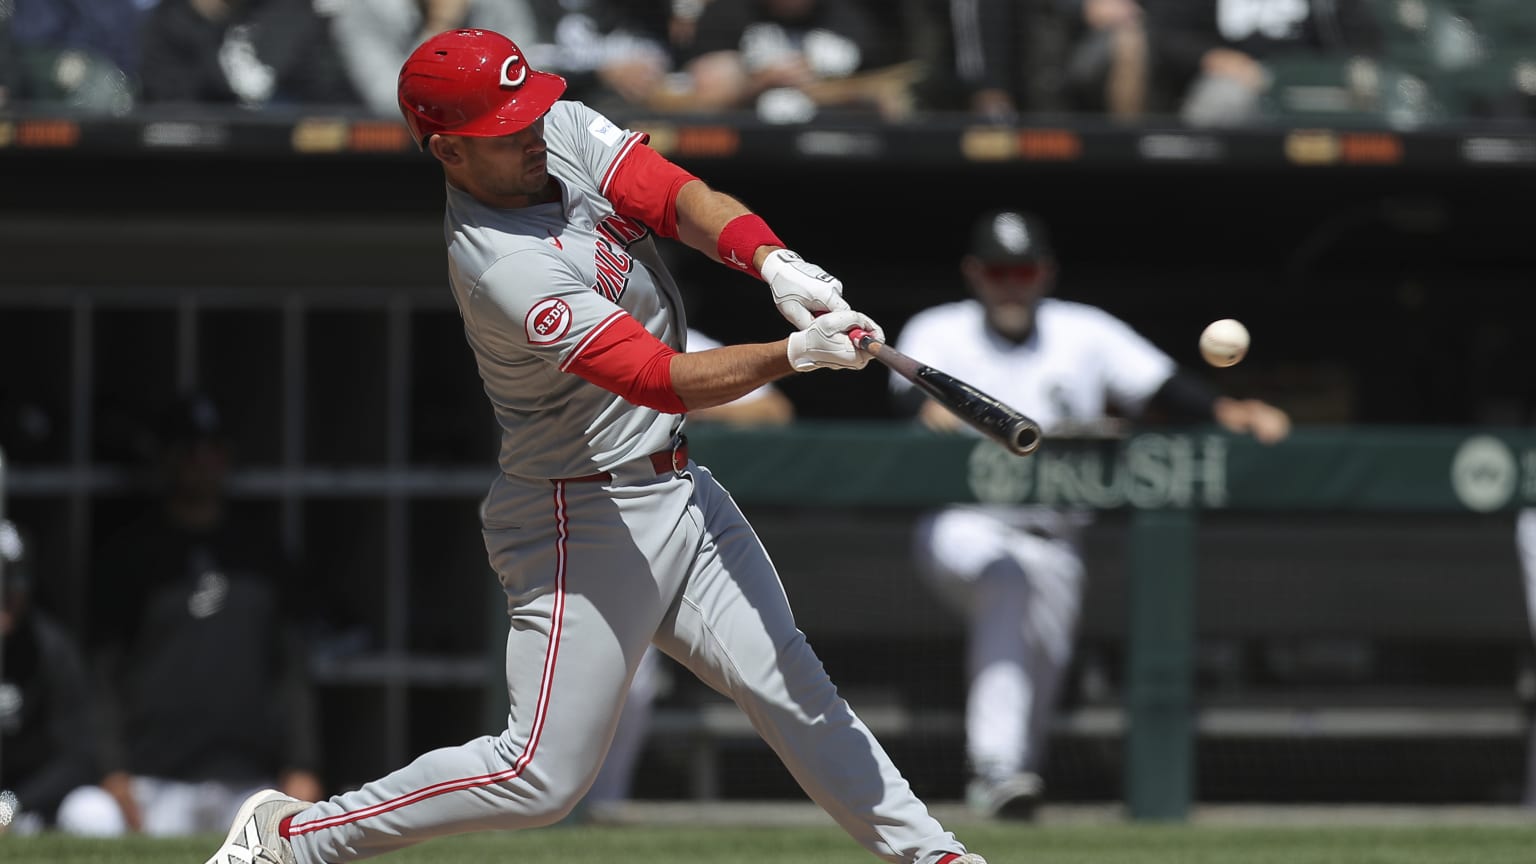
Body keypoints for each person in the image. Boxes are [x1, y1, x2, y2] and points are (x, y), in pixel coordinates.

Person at [201, 28, 986, 864]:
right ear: (448, 152)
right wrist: (794, 356)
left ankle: (933, 856)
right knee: (538, 776)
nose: (533, 132)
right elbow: (657, 376)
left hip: (676, 487)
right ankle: (292, 838)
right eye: (506, 129)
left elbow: (668, 193)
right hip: (582, 509)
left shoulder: (555, 131)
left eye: (529, 109)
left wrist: (771, 260)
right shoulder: (501, 267)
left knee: (794, 688)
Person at [889, 208, 1291, 819]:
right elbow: (903, 402)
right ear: (975, 273)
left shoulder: (1085, 331)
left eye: (1022, 270)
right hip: (964, 524)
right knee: (1006, 580)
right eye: (999, 270)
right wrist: (926, 414)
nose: (1011, 283)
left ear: (1044, 272)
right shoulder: (937, 330)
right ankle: (993, 767)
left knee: (1039, 664)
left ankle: (1005, 786)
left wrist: (1229, 411)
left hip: (1056, 536)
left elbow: (1163, 388)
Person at [78, 392, 323, 837]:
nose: (201, 462)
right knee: (87, 815)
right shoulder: (130, 554)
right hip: (152, 780)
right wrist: (111, 769)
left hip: (247, 780)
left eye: (212, 450)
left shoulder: (261, 555)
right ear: (166, 458)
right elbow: (100, 674)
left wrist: (301, 763)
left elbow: (291, 667)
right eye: (188, 450)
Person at [583, 326, 795, 815]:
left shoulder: (687, 339)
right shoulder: (574, 327)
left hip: (677, 526)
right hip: (587, 522)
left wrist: (682, 394)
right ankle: (566, 810)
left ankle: (602, 808)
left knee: (635, 681)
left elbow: (776, 412)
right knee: (591, 682)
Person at [0, 519, 104, 835]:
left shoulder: (50, 648)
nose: (3, 595)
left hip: (28, 805)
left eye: (11, 582)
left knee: (95, 814)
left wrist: (9, 806)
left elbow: (81, 755)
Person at [333, 0, 540, 116]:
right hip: (408, 153)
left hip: (494, 134)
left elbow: (525, 78)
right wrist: (440, 25)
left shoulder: (494, 4)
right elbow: (390, 101)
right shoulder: (364, 9)